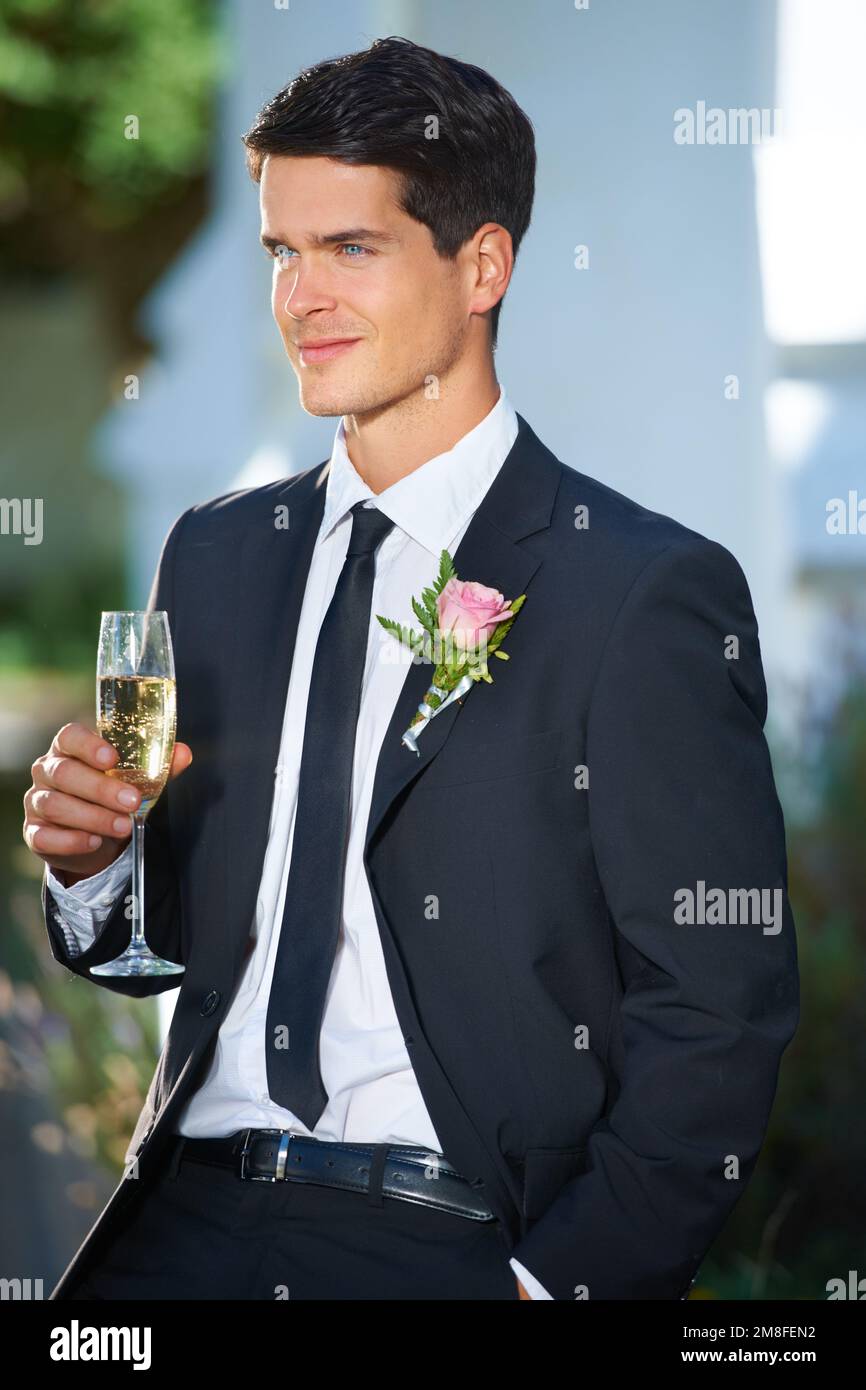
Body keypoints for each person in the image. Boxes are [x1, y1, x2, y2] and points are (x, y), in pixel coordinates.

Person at [23, 35, 799, 1301]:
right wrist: (97, 867)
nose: (299, 297)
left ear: (481, 263)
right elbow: (168, 944)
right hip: (176, 1227)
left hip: (442, 1242)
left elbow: (719, 1008)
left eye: (351, 248)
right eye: (282, 251)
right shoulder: (214, 556)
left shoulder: (640, 591)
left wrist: (550, 1290)